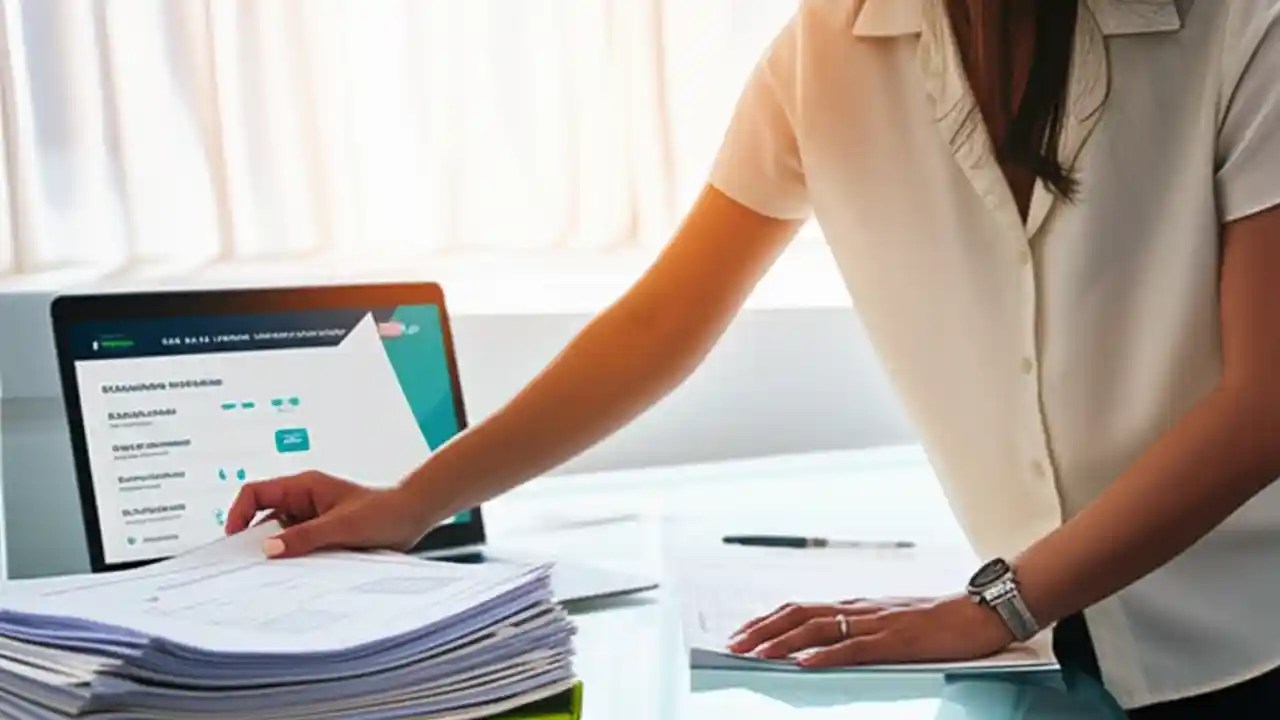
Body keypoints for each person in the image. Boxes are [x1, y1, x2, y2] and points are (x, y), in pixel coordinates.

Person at [227, 0, 1280, 716]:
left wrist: (991, 604)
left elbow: (1263, 405)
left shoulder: (1243, 27)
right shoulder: (826, 48)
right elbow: (662, 323)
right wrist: (412, 502)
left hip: (1247, 634)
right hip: (1035, 650)